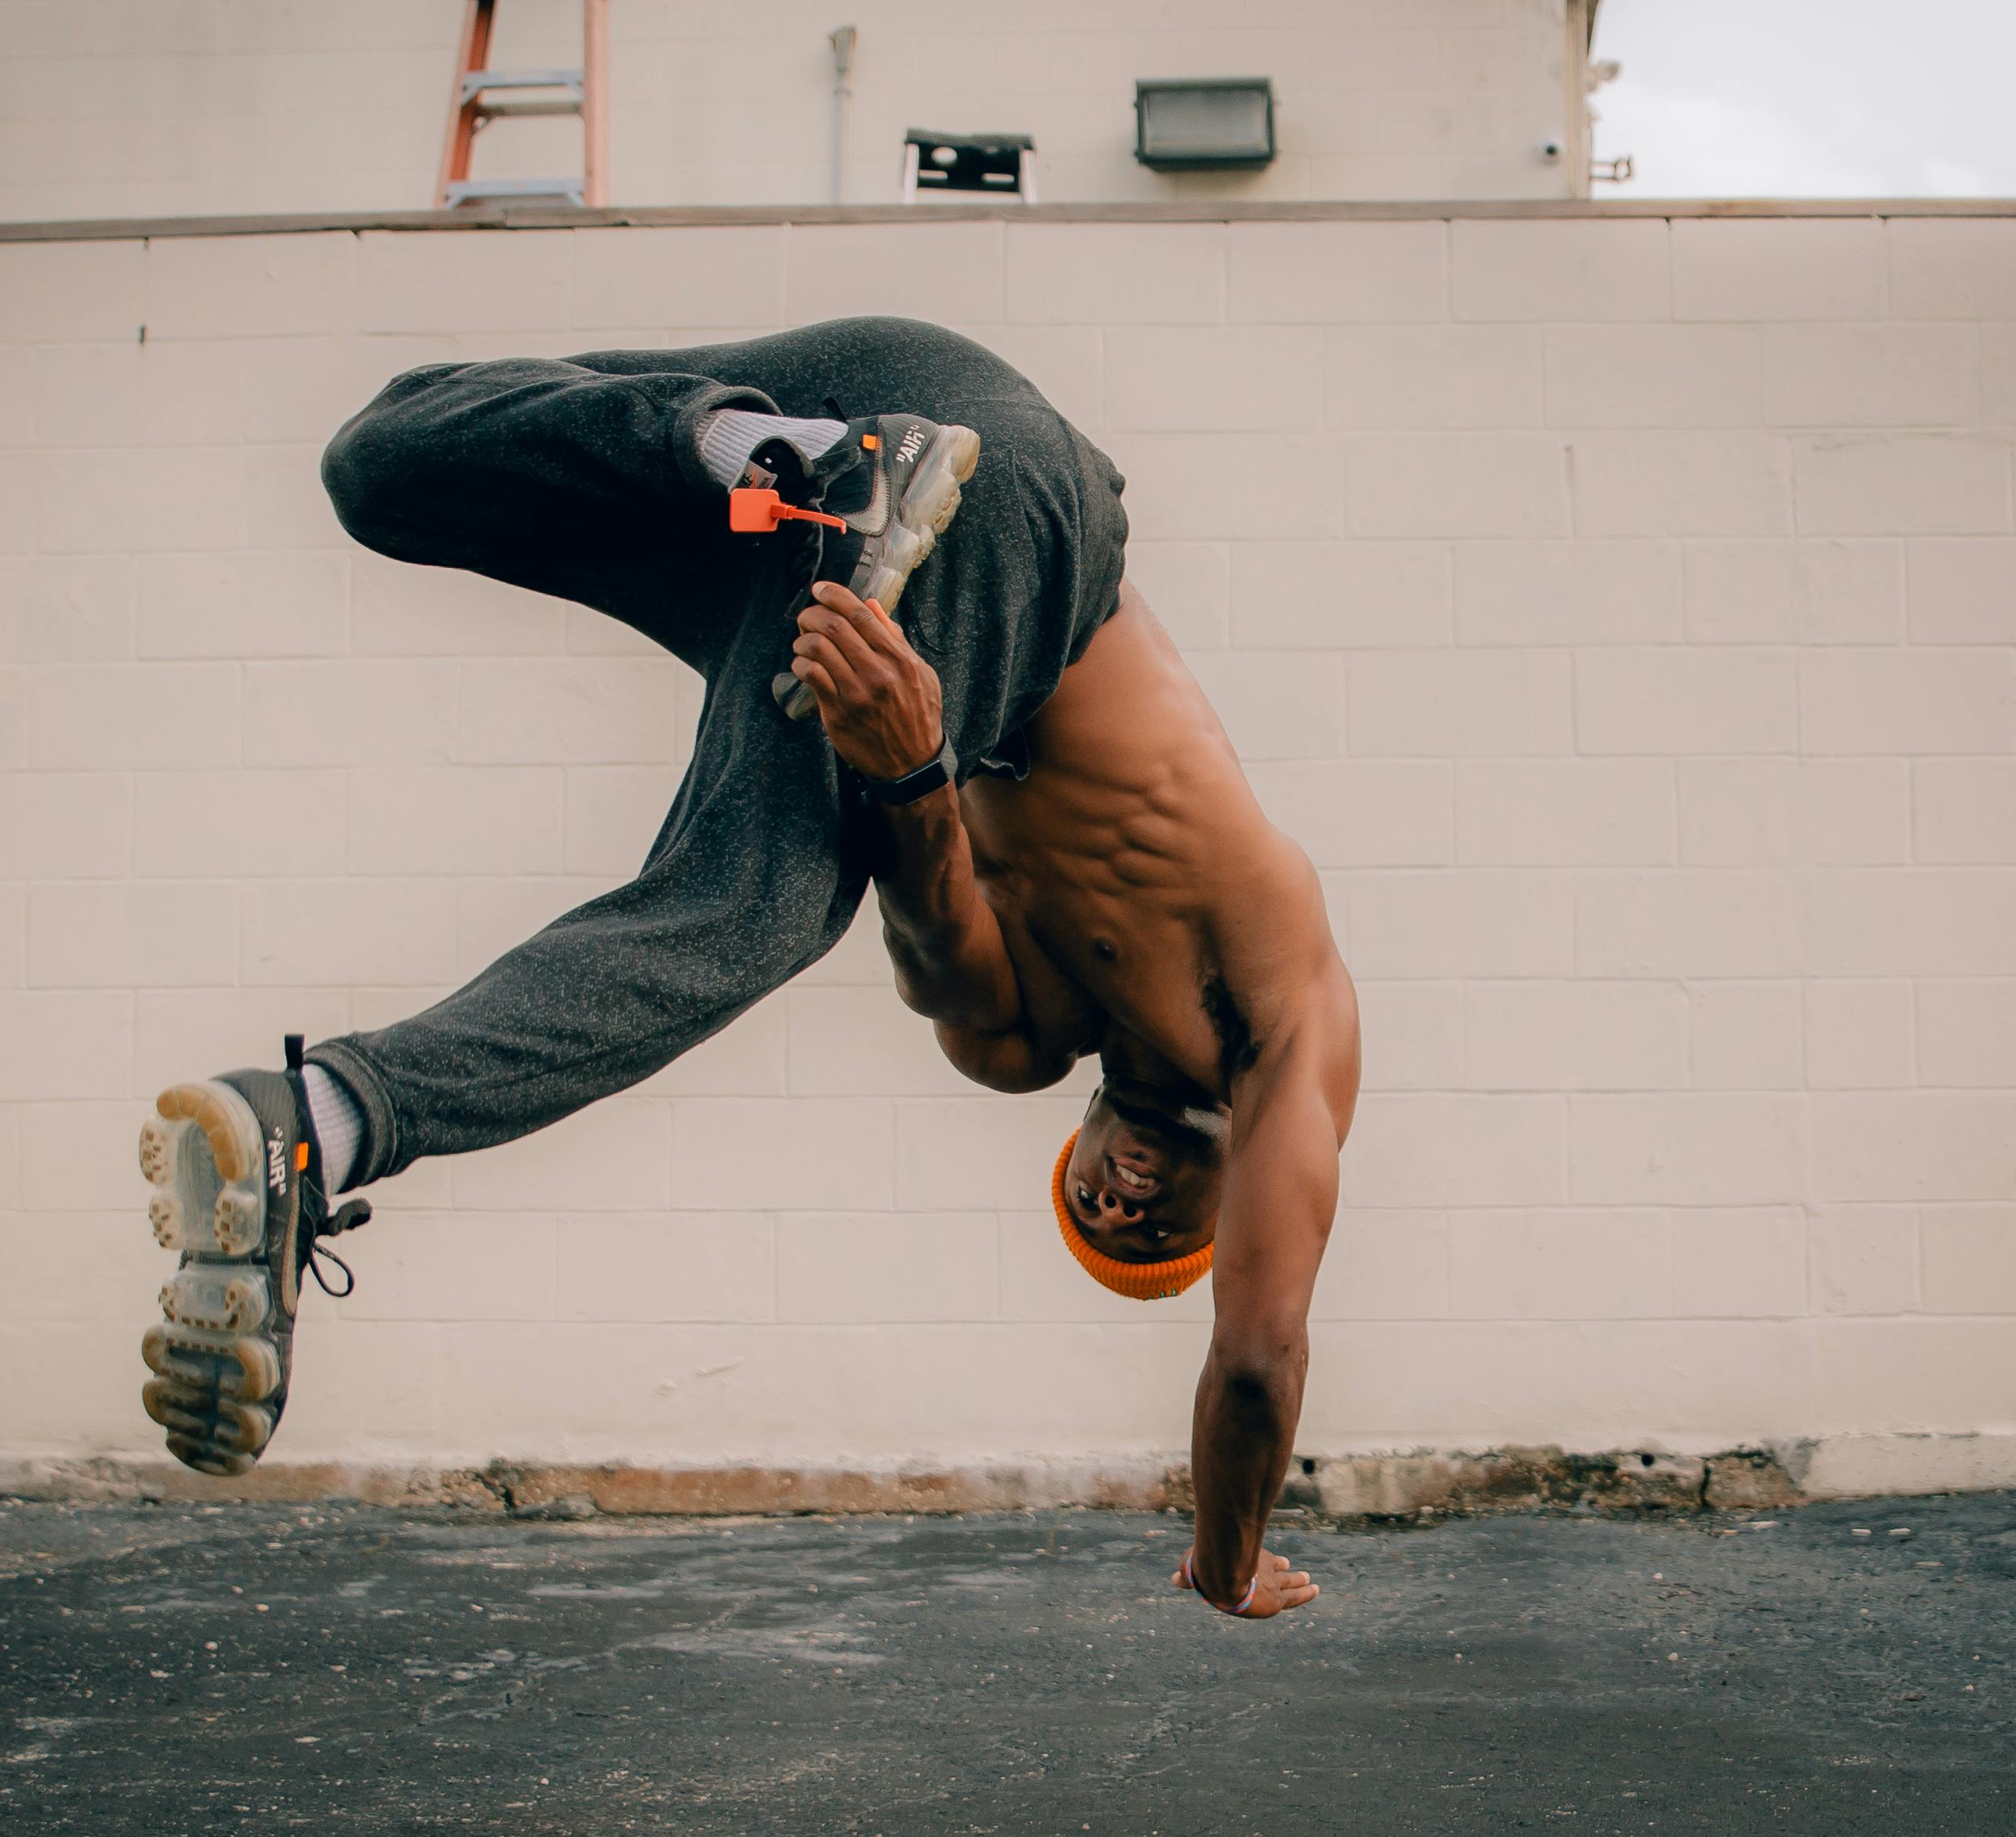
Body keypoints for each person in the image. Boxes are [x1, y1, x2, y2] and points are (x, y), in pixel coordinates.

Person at [132, 317, 1359, 1621]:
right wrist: (1226, 1559)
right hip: (1013, 524)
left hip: (848, 491)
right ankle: (319, 1124)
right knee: (749, 904)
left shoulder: (1023, 1034)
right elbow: (1255, 1350)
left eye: (1095, 1220)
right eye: (1157, 1233)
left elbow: (930, 894)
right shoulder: (1287, 1030)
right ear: (1224, 1201)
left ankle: (755, 446)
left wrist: (906, 766)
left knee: (386, 464)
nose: (1121, 1211)